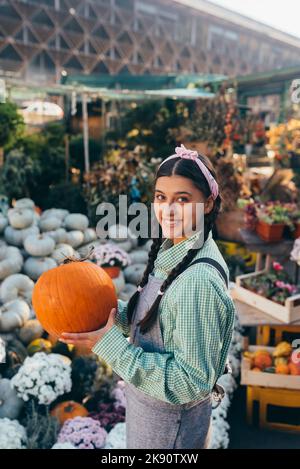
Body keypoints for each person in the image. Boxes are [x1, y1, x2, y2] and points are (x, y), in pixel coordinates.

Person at [60, 144, 236, 449]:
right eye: (160, 197)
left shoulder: (197, 282)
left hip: (170, 432)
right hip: (152, 414)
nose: (167, 210)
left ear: (207, 204)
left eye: (182, 199)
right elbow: (162, 319)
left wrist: (111, 346)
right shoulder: (178, 250)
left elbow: (190, 382)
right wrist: (93, 303)